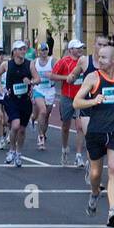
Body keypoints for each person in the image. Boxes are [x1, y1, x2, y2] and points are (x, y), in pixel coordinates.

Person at [72, 44, 114, 227]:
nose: (99, 60)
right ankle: (94, 192)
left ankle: (113, 210)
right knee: (96, 173)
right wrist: (93, 100)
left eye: (104, 58)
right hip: (96, 131)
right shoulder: (93, 77)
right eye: (98, 57)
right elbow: (76, 102)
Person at [50, 39, 86, 167]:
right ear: (71, 50)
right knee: (66, 126)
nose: (80, 49)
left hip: (81, 98)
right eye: (77, 48)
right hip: (67, 97)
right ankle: (64, 150)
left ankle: (78, 155)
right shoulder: (64, 61)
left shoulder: (85, 62)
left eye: (81, 47)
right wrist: (67, 78)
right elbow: (52, 75)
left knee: (80, 126)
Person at [0, 40, 35, 167]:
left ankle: (19, 153)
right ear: (14, 51)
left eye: (24, 49)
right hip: (11, 100)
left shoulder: (29, 64)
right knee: (15, 126)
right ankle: (12, 151)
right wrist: (0, 86)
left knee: (22, 130)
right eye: (20, 49)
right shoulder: (7, 64)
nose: (23, 51)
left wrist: (30, 82)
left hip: (25, 101)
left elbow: (38, 79)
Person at [31, 40, 57, 151]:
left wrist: (52, 75)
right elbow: (30, 75)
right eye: (42, 50)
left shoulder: (53, 61)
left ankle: (37, 124)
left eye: (46, 49)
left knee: (46, 116)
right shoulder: (34, 62)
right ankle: (40, 136)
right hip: (39, 90)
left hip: (50, 90)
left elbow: (58, 74)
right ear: (38, 51)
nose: (44, 52)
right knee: (42, 111)